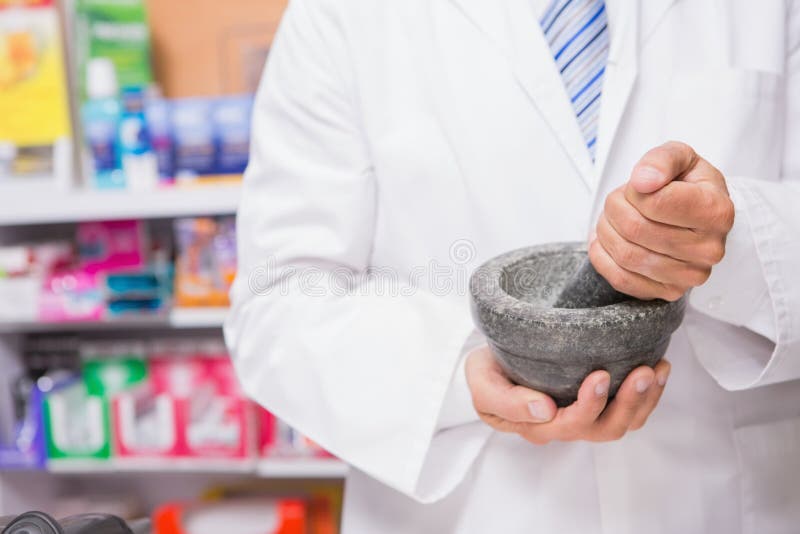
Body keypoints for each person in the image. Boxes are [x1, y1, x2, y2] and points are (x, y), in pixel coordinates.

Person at [225, 0, 800, 532]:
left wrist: (733, 239)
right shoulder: (342, 15)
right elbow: (278, 298)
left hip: (717, 504)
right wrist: (455, 376)